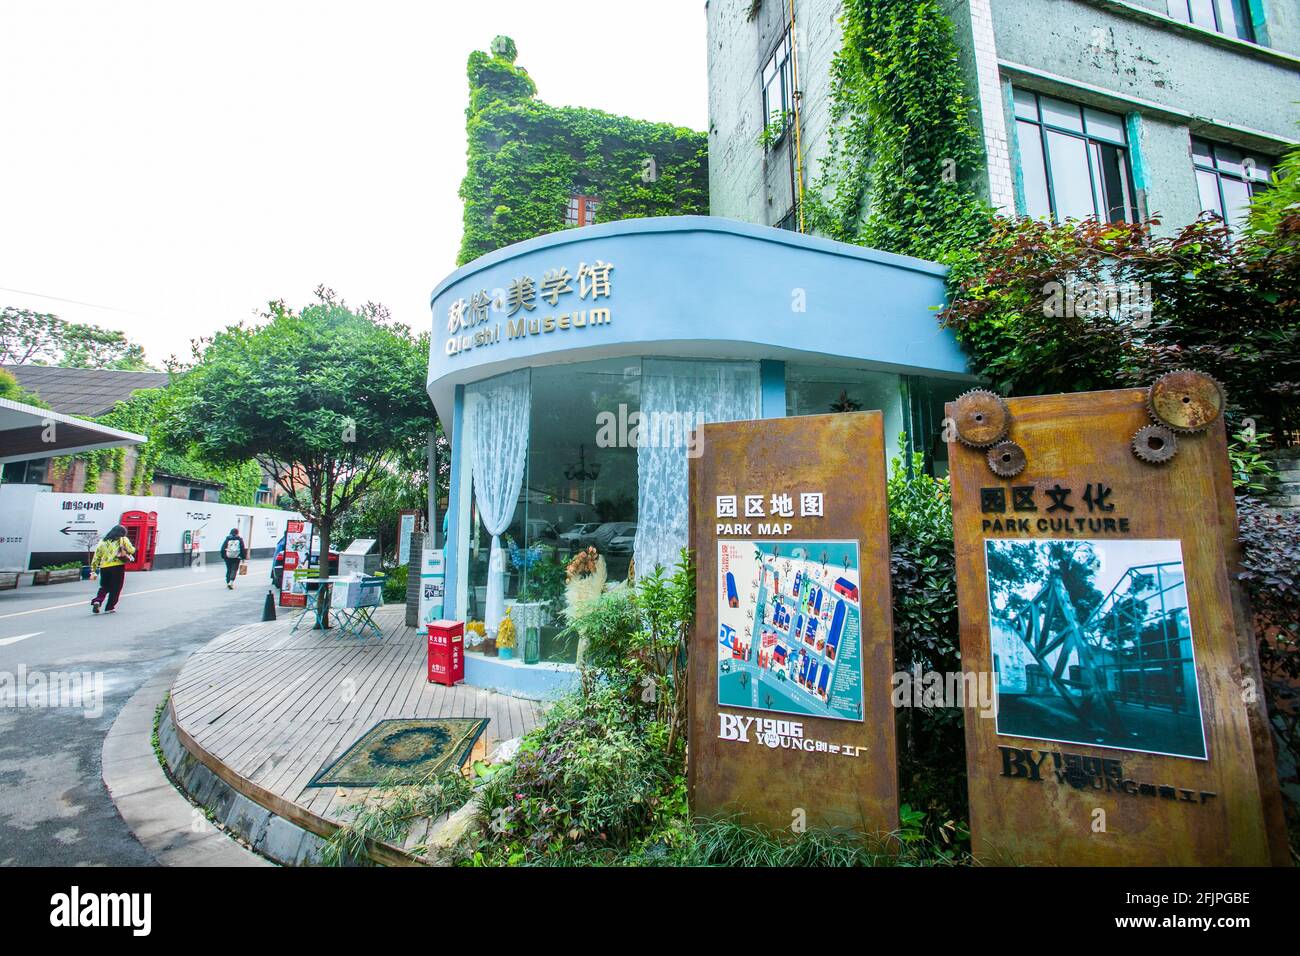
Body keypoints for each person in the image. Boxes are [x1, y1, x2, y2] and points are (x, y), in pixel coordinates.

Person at [90, 525, 135, 614]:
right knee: (116, 588)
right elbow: (132, 550)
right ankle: (109, 607)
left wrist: (93, 570)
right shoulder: (122, 539)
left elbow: (96, 556)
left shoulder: (102, 541)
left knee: (104, 586)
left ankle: (98, 601)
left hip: (104, 567)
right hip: (117, 567)